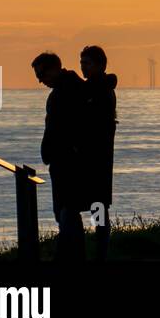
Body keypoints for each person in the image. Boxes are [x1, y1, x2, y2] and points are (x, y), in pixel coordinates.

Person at [31, 52, 87, 261]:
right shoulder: (69, 87)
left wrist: (62, 151)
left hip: (67, 162)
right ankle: (72, 255)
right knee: (67, 211)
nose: (40, 80)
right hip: (64, 159)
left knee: (66, 210)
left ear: (53, 69)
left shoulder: (65, 91)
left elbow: (62, 128)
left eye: (41, 74)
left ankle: (66, 256)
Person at [78, 45, 117, 261]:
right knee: (97, 208)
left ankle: (100, 253)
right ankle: (98, 251)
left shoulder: (99, 91)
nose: (83, 67)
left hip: (97, 162)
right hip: (94, 161)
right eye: (81, 63)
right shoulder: (96, 88)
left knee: (98, 209)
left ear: (100, 65)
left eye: (87, 63)